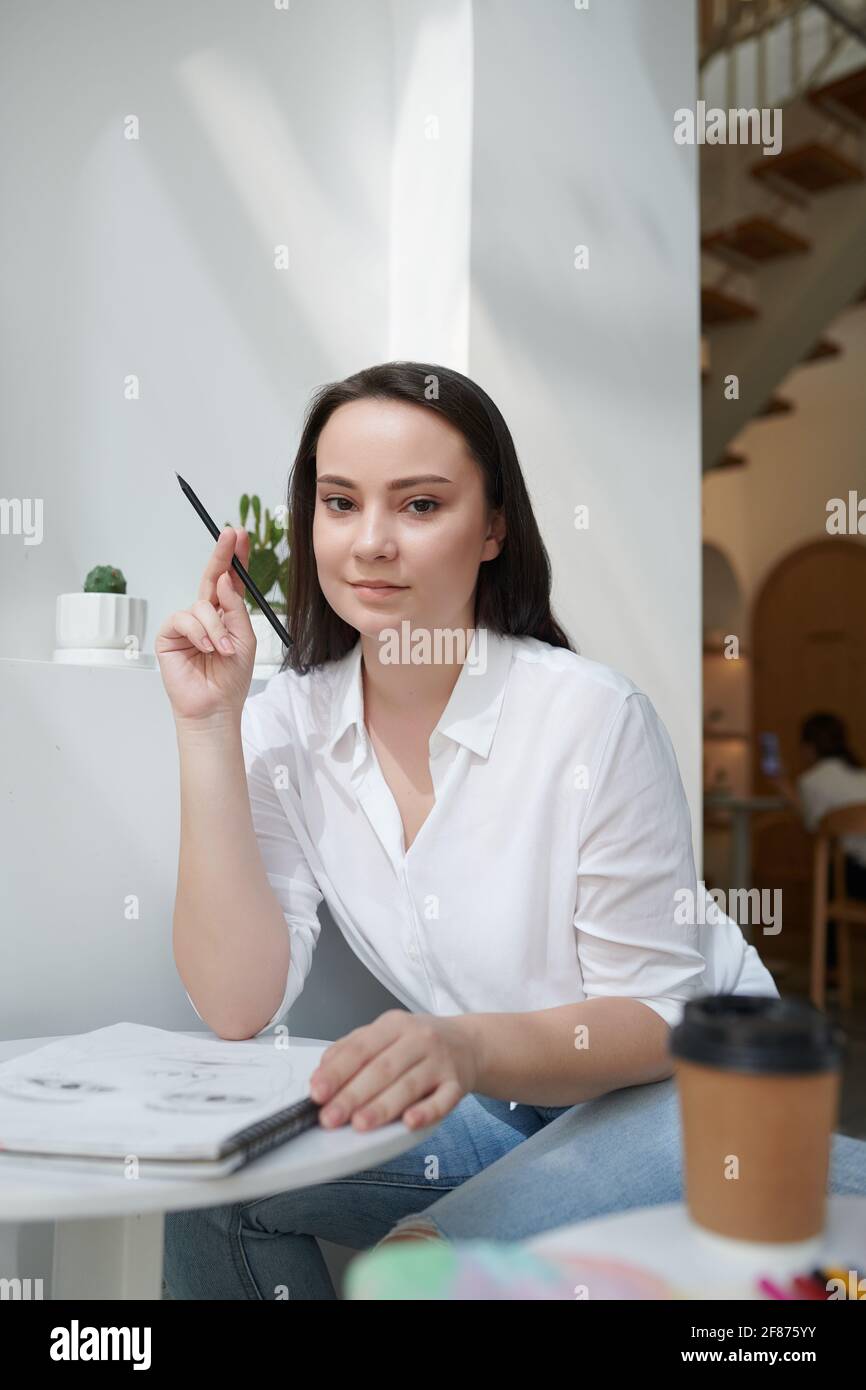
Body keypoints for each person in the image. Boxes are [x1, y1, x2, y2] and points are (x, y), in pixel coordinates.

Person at [155, 361, 866, 1299]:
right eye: (339, 502)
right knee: (214, 1176)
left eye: (419, 505)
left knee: (422, 1269)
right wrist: (208, 727)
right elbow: (239, 1005)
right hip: (513, 1111)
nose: (369, 543)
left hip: (689, 1097)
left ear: (493, 528)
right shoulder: (285, 723)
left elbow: (655, 1020)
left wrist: (466, 1046)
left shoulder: (589, 717)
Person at [771, 713, 866, 978]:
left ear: (809, 747)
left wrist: (788, 791)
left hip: (858, 878)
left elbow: (817, 828)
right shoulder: (861, 774)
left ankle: (829, 970)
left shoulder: (812, 781)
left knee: (829, 875)